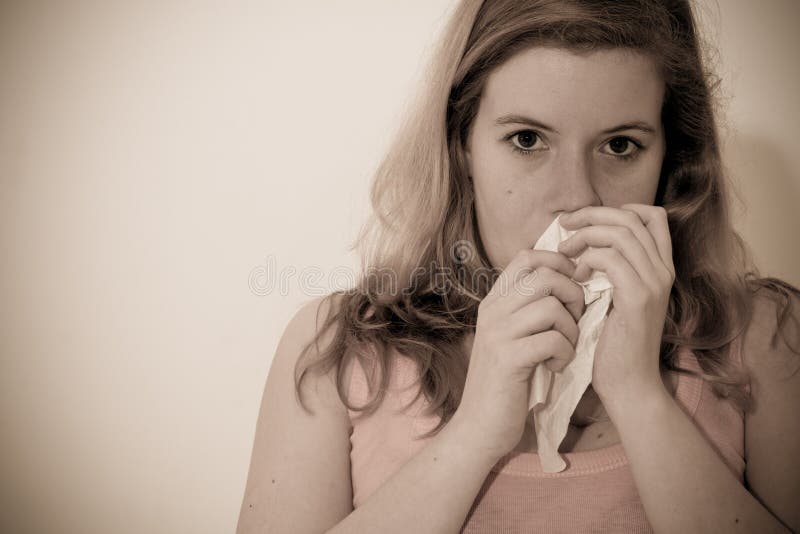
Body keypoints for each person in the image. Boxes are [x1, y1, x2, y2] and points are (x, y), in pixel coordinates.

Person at [236, 1, 800, 532]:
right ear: (463, 148)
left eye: (621, 146)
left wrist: (638, 394)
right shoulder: (340, 351)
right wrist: (476, 429)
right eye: (527, 140)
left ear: (671, 158)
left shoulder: (765, 338)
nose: (576, 198)